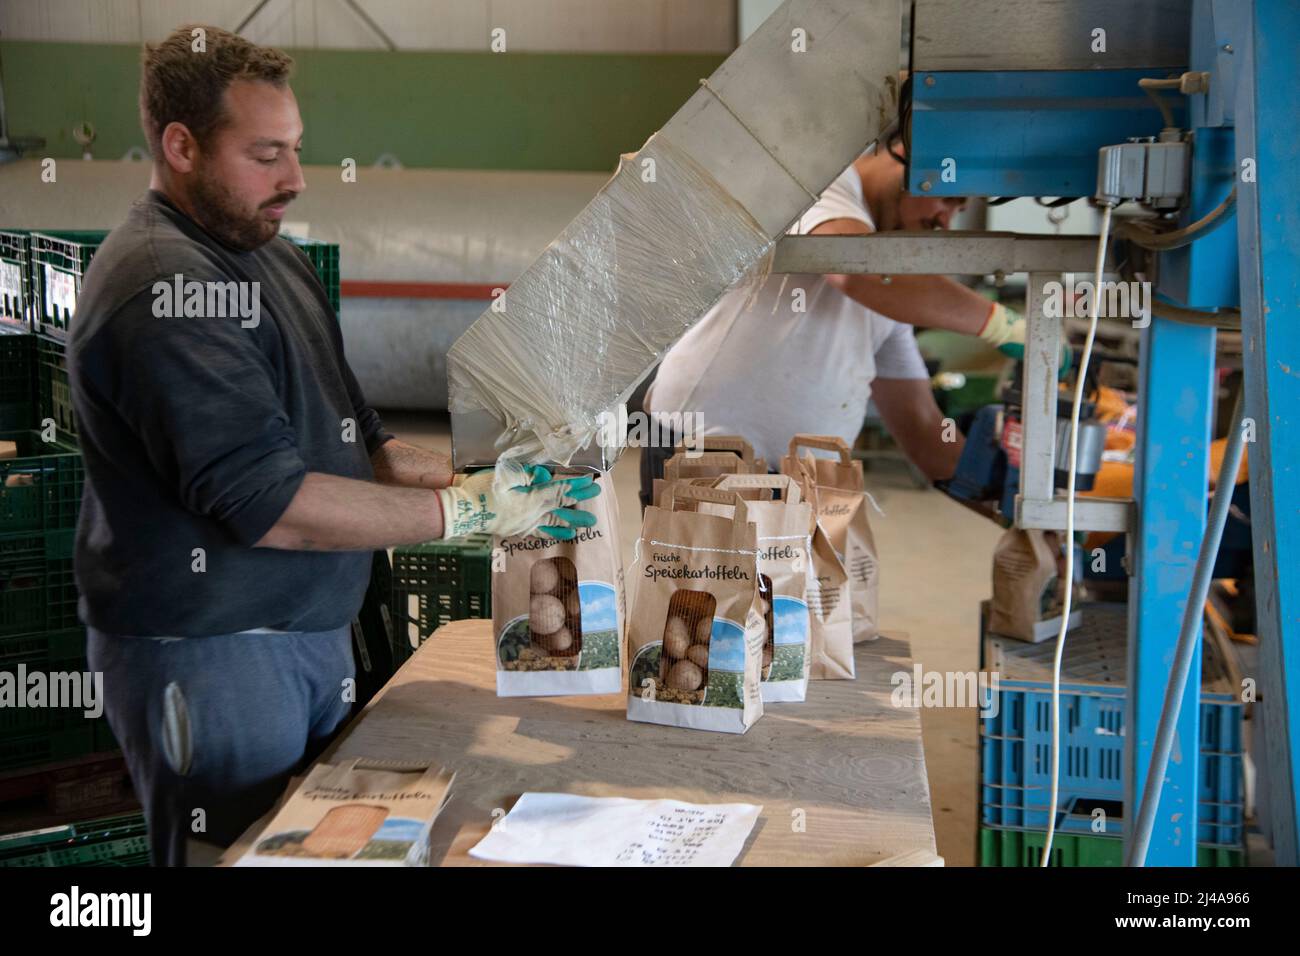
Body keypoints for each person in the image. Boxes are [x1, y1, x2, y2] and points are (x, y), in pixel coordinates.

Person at [68, 25, 595, 866]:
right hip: (214, 657)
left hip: (310, 638)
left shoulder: (269, 257)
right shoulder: (166, 287)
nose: (295, 179)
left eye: (298, 149)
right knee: (232, 854)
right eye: (265, 154)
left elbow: (365, 444)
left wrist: (492, 479)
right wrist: (462, 512)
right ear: (181, 146)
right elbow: (269, 505)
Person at [644, 132, 1050, 507]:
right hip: (704, 455)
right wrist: (1007, 325)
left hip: (799, 484)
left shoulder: (889, 288)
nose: (946, 221)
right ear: (914, 156)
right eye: (948, 199)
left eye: (959, 210)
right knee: (702, 589)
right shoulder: (824, 185)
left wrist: (1015, 501)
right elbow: (854, 269)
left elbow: (922, 428)